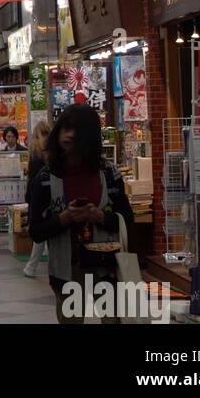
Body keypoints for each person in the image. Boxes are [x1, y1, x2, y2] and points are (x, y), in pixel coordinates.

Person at [28, 105, 133, 324]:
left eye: (75, 130)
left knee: (113, 320)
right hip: (66, 269)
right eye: (64, 128)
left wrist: (99, 216)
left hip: (106, 266)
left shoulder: (108, 173)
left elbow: (127, 220)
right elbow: (36, 231)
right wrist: (64, 218)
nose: (68, 135)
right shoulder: (46, 178)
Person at [23, 120, 52, 277]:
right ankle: (31, 267)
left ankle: (31, 267)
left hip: (44, 200)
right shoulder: (38, 156)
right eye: (43, 134)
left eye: (46, 134)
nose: (44, 138)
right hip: (42, 200)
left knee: (43, 235)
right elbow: (33, 181)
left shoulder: (40, 154)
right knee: (42, 234)